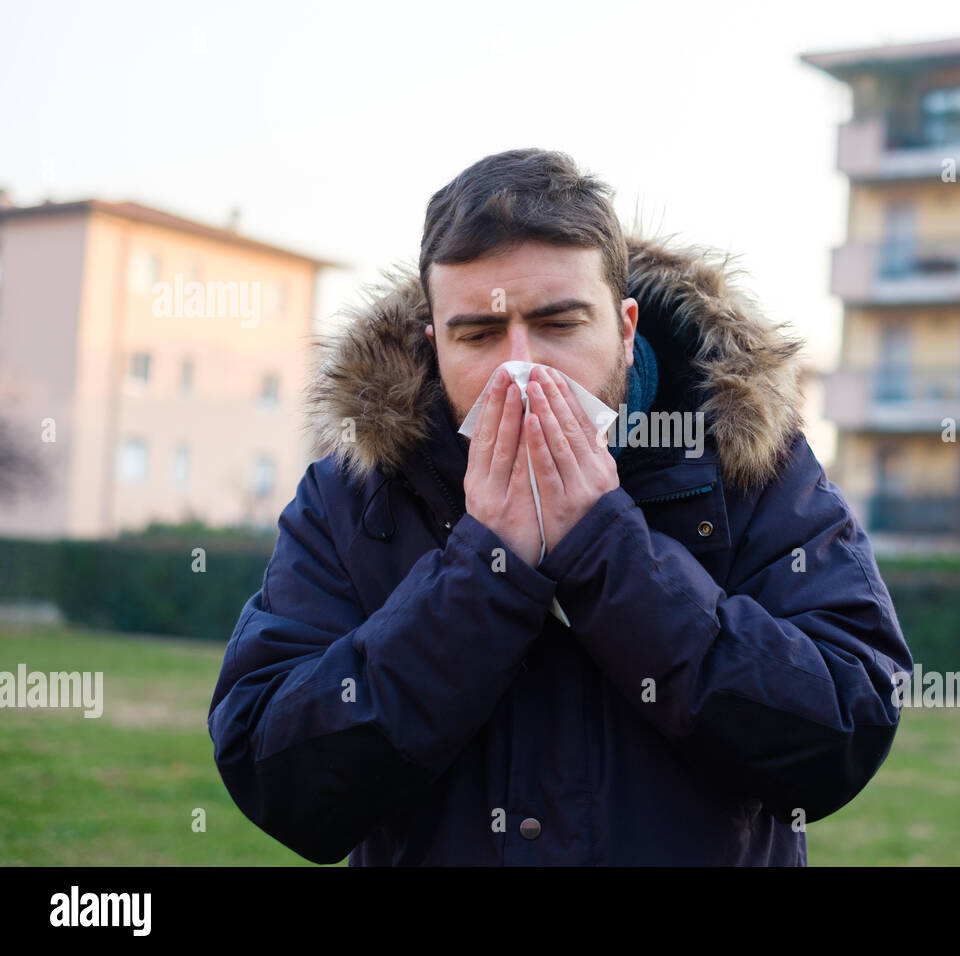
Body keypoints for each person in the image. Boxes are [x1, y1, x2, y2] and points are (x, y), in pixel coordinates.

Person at [207, 148, 912, 865]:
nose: (522, 367)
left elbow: (842, 733)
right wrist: (485, 571)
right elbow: (280, 781)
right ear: (435, 345)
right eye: (478, 334)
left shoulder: (751, 466)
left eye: (559, 323)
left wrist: (606, 548)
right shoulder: (354, 493)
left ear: (626, 328)